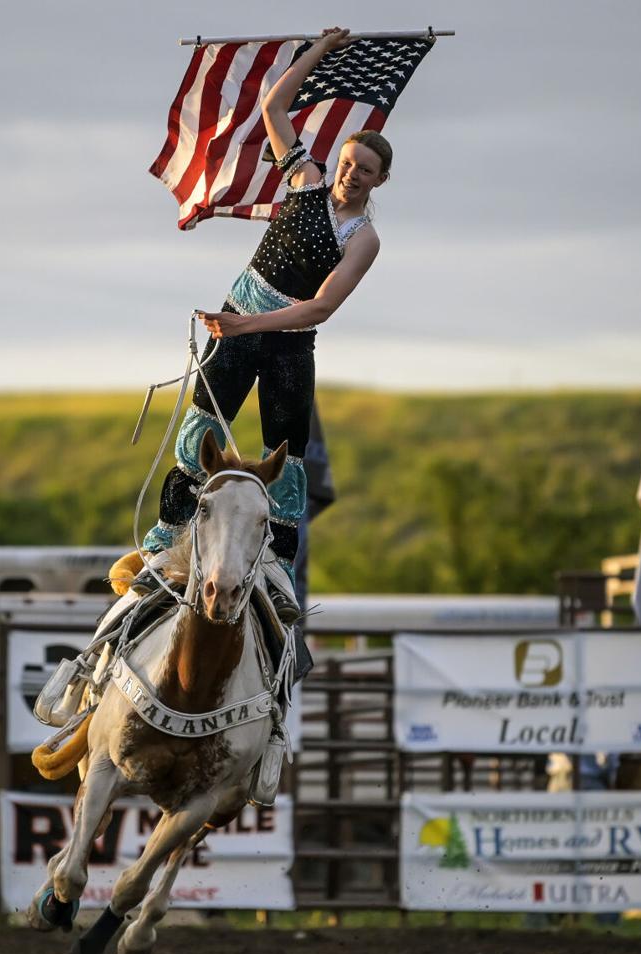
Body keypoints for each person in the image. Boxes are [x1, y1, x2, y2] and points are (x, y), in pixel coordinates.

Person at [115, 26, 389, 597]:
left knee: (285, 463)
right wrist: (320, 51)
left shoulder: (364, 237)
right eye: (349, 161)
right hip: (239, 316)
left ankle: (279, 576)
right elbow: (274, 106)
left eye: (365, 169)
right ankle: (165, 546)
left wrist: (249, 325)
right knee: (200, 437)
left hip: (285, 340)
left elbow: (320, 307)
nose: (352, 173)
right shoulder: (305, 179)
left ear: (380, 180)